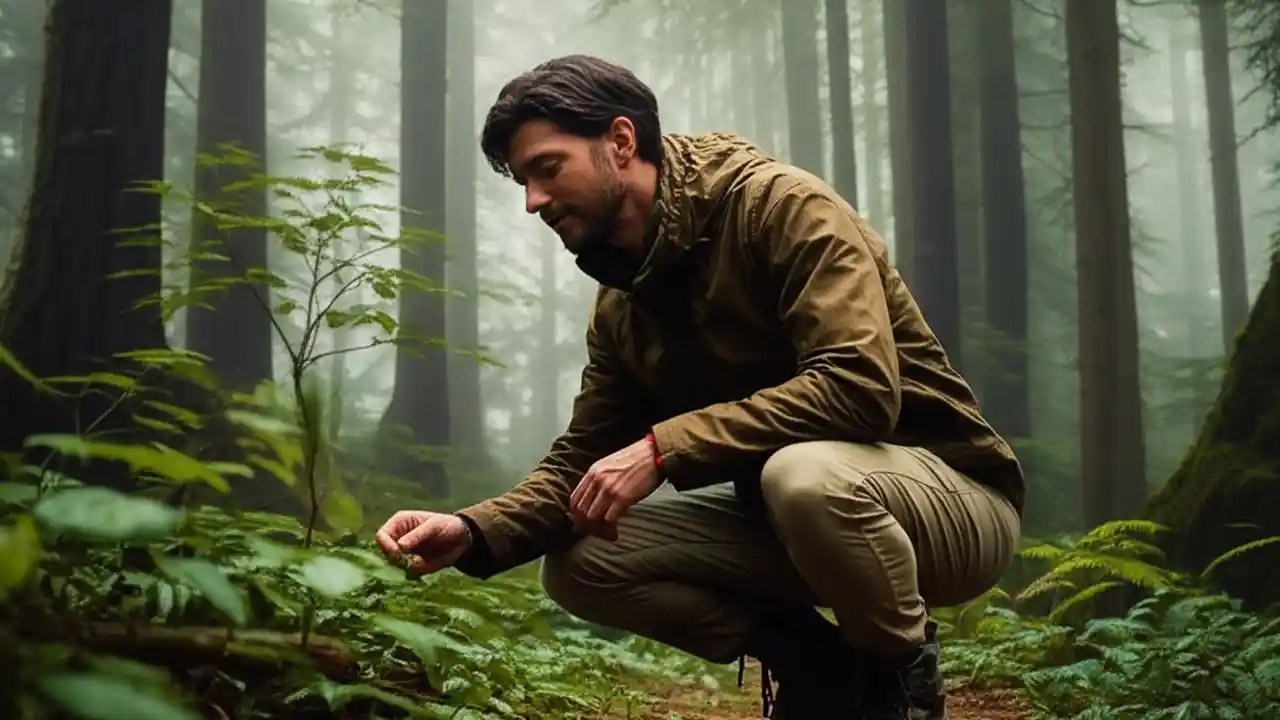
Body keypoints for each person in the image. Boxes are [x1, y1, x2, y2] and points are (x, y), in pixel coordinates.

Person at [375, 54, 1024, 719]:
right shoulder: (623, 301)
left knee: (803, 475)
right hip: (800, 522)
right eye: (522, 181)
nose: (533, 201)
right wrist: (472, 528)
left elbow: (857, 387)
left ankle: (899, 680)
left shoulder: (781, 207)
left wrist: (662, 448)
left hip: (950, 506)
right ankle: (821, 668)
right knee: (584, 560)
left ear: (621, 142)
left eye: (547, 168)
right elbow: (582, 459)